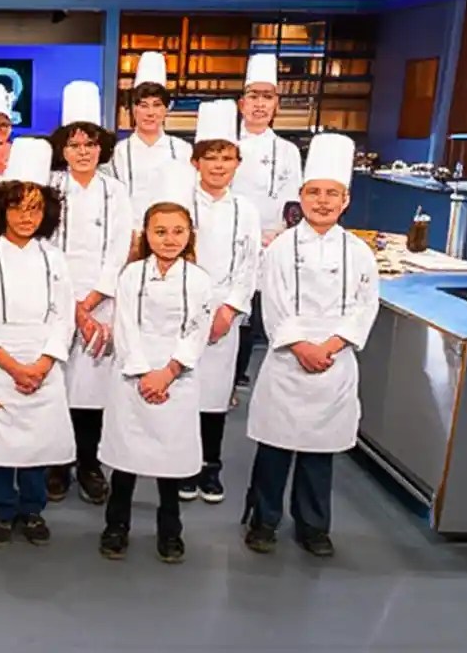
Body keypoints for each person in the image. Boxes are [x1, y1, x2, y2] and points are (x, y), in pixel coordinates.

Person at [242, 133, 379, 558]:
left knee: (321, 455)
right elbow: (275, 306)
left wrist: (332, 345)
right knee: (275, 450)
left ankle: (313, 526)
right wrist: (303, 347)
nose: (323, 201)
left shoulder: (359, 252)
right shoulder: (281, 248)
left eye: (332, 194)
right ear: (300, 196)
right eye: (314, 192)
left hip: (334, 365)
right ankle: (264, 521)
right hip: (288, 362)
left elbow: (365, 306)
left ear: (347, 200)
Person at [0, 142, 74, 547]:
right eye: (17, 208)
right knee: (0, 444)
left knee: (38, 445)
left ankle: (32, 509)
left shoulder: (55, 259)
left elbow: (63, 317)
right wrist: (15, 368)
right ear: (1, 212)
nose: (26, 217)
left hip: (44, 363)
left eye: (34, 208)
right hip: (0, 365)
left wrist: (42, 364)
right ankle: (1, 508)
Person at [98, 201, 213, 564]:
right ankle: (116, 526)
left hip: (177, 378)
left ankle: (170, 529)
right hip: (133, 375)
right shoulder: (131, 275)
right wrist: (144, 371)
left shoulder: (199, 280)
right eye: (160, 231)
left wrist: (168, 372)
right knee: (125, 461)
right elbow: (125, 325)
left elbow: (198, 330)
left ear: (190, 234)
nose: (169, 239)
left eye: (178, 231)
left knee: (170, 462)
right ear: (146, 235)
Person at [45, 81, 133, 505]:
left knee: (92, 388)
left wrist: (90, 301)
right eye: (74, 143)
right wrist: (69, 303)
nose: (82, 151)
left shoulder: (116, 192)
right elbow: (41, 246)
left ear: (102, 148)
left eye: (90, 143)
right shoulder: (46, 188)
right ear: (62, 148)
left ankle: (90, 463)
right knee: (56, 384)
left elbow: (119, 249)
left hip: (102, 300)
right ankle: (56, 463)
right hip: (54, 300)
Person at [181, 100, 262, 504]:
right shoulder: (179, 202)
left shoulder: (245, 210)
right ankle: (182, 466)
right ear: (196, 161)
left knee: (213, 395)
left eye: (226, 157)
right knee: (182, 391)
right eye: (210, 157)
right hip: (181, 310)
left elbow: (250, 264)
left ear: (237, 163)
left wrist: (230, 308)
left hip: (223, 315)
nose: (218, 165)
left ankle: (210, 467)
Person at [231, 53, 303, 389]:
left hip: (270, 244)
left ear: (276, 104)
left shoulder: (288, 150)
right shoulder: (224, 144)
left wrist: (279, 234)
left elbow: (294, 203)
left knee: (255, 312)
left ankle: (238, 376)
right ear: (241, 103)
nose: (260, 104)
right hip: (228, 240)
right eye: (254, 96)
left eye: (268, 97)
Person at [111, 52, 195, 230]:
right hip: (130, 235)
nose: (150, 113)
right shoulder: (118, 152)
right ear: (133, 109)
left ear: (166, 109)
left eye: (157, 105)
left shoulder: (183, 150)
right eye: (143, 105)